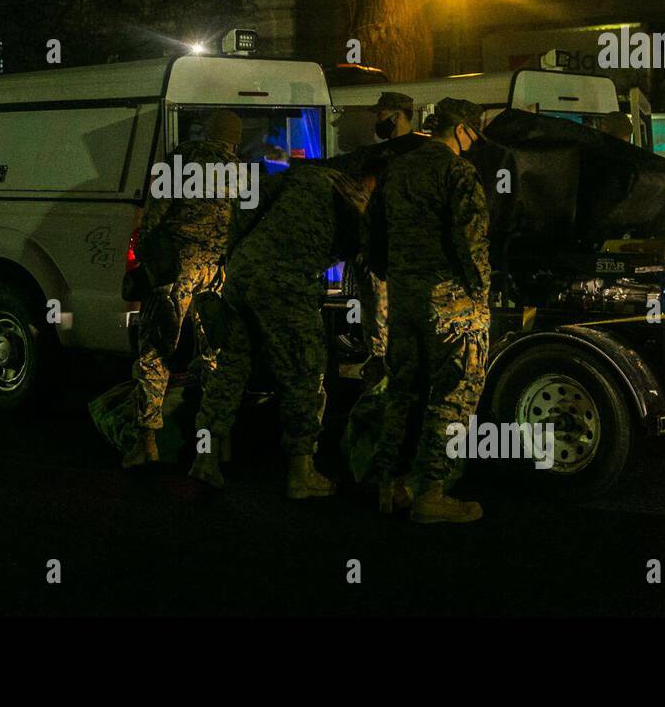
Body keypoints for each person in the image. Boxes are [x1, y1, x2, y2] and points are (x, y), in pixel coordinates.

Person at [189, 163, 377, 498]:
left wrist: (235, 253)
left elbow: (250, 200)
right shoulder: (362, 212)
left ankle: (205, 458)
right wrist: (378, 343)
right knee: (305, 372)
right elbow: (368, 285)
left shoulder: (307, 174)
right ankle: (301, 472)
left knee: (231, 366)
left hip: (244, 273)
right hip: (285, 286)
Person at [367, 97, 491, 524]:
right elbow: (471, 243)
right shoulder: (457, 172)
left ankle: (390, 486)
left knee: (403, 389)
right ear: (461, 130)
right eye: (473, 134)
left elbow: (374, 239)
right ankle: (431, 494)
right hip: (449, 302)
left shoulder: (396, 169)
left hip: (403, 297)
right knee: (453, 393)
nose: (473, 143)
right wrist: (480, 297)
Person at [123, 109, 243, 468]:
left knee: (156, 349)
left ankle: (146, 443)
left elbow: (154, 212)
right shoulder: (243, 170)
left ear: (206, 132)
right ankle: (213, 443)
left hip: (176, 268)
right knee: (213, 354)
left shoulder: (181, 159)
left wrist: (145, 256)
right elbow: (245, 223)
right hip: (218, 272)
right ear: (233, 139)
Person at [356, 92, 416, 386]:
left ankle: (384, 371)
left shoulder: (406, 153)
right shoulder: (400, 152)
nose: (377, 121)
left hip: (394, 253)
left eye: (381, 115)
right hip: (392, 253)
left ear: (397, 115)